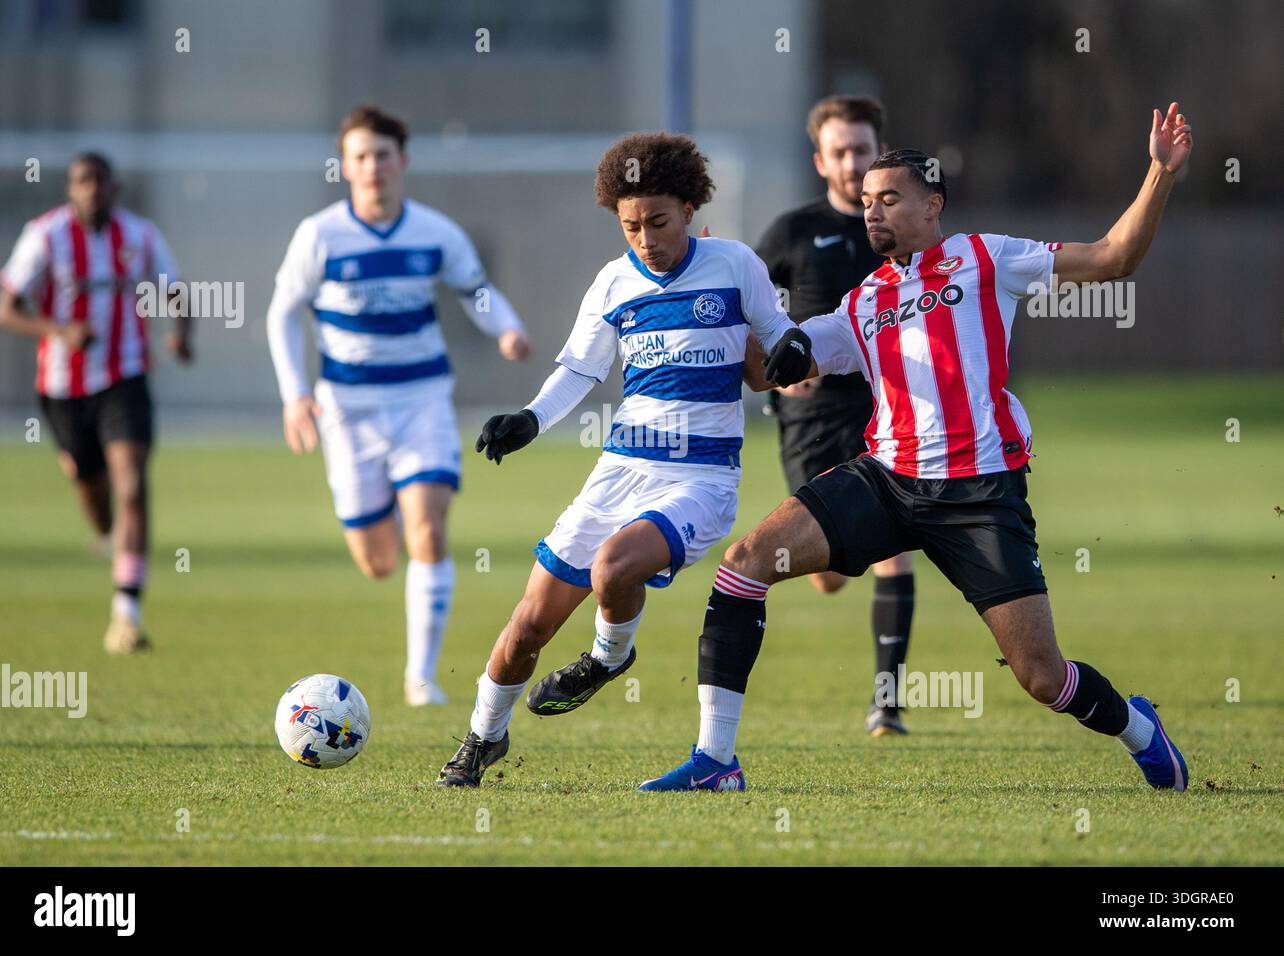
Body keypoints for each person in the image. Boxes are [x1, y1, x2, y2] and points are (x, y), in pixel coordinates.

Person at [640, 103, 1194, 793]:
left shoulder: (989, 259)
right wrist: (728, 300)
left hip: (980, 493)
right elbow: (783, 363)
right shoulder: (864, 298)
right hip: (887, 480)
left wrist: (1159, 173)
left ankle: (1139, 728)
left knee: (1042, 677)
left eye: (889, 199)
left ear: (933, 205)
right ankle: (716, 762)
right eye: (867, 202)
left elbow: (1114, 258)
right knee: (745, 564)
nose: (871, 212)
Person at [437, 132, 812, 787]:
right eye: (629, 226)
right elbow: (579, 371)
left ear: (691, 208)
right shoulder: (613, 282)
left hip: (700, 479)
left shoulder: (734, 265)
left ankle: (609, 658)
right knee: (527, 627)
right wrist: (530, 418)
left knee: (614, 567)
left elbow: (781, 339)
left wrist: (791, 353)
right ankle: (481, 738)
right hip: (618, 470)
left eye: (658, 222)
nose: (645, 238)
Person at [266, 105, 532, 706]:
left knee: (428, 530)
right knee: (379, 561)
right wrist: (294, 394)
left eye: (382, 155)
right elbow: (283, 312)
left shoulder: (434, 232)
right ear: (345, 166)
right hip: (348, 410)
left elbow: (477, 290)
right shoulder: (320, 235)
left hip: (422, 400)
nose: (372, 167)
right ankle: (377, 514)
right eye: (360, 156)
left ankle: (422, 675)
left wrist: (506, 330)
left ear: (401, 162)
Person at [753, 94, 917, 736]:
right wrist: (773, 377)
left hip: (887, 417)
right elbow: (749, 309)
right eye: (840, 151)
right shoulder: (793, 232)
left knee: (894, 551)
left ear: (882, 153)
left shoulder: (906, 234)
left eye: (864, 150)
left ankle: (887, 702)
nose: (853, 163)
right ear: (820, 160)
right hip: (809, 424)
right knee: (826, 573)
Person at [0, 152, 192, 654]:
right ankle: (106, 532)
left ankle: (126, 614)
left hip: (125, 376)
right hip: (63, 386)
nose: (92, 191)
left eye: (101, 182)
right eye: (83, 182)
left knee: (132, 485)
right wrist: (59, 331)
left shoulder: (140, 236)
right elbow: (6, 309)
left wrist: (180, 334)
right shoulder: (45, 236)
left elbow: (176, 291)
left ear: (114, 189)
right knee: (95, 495)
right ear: (70, 189)